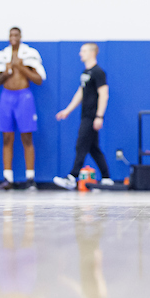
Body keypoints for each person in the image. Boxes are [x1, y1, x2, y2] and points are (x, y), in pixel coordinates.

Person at [0, 27, 46, 191]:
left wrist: (21, 67)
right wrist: (7, 72)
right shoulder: (2, 56)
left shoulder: (30, 54)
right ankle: (8, 178)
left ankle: (30, 178)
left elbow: (39, 79)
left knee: (27, 137)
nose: (13, 37)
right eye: (11, 35)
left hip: (24, 97)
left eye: (16, 35)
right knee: (7, 137)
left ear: (21, 37)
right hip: (7, 97)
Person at [54, 43, 110, 189]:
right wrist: (67, 110)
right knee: (93, 148)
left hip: (92, 116)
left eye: (83, 51)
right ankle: (106, 177)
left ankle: (72, 176)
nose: (80, 54)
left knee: (81, 145)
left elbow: (104, 95)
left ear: (92, 53)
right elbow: (81, 93)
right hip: (84, 114)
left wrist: (99, 116)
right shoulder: (86, 72)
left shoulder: (99, 72)